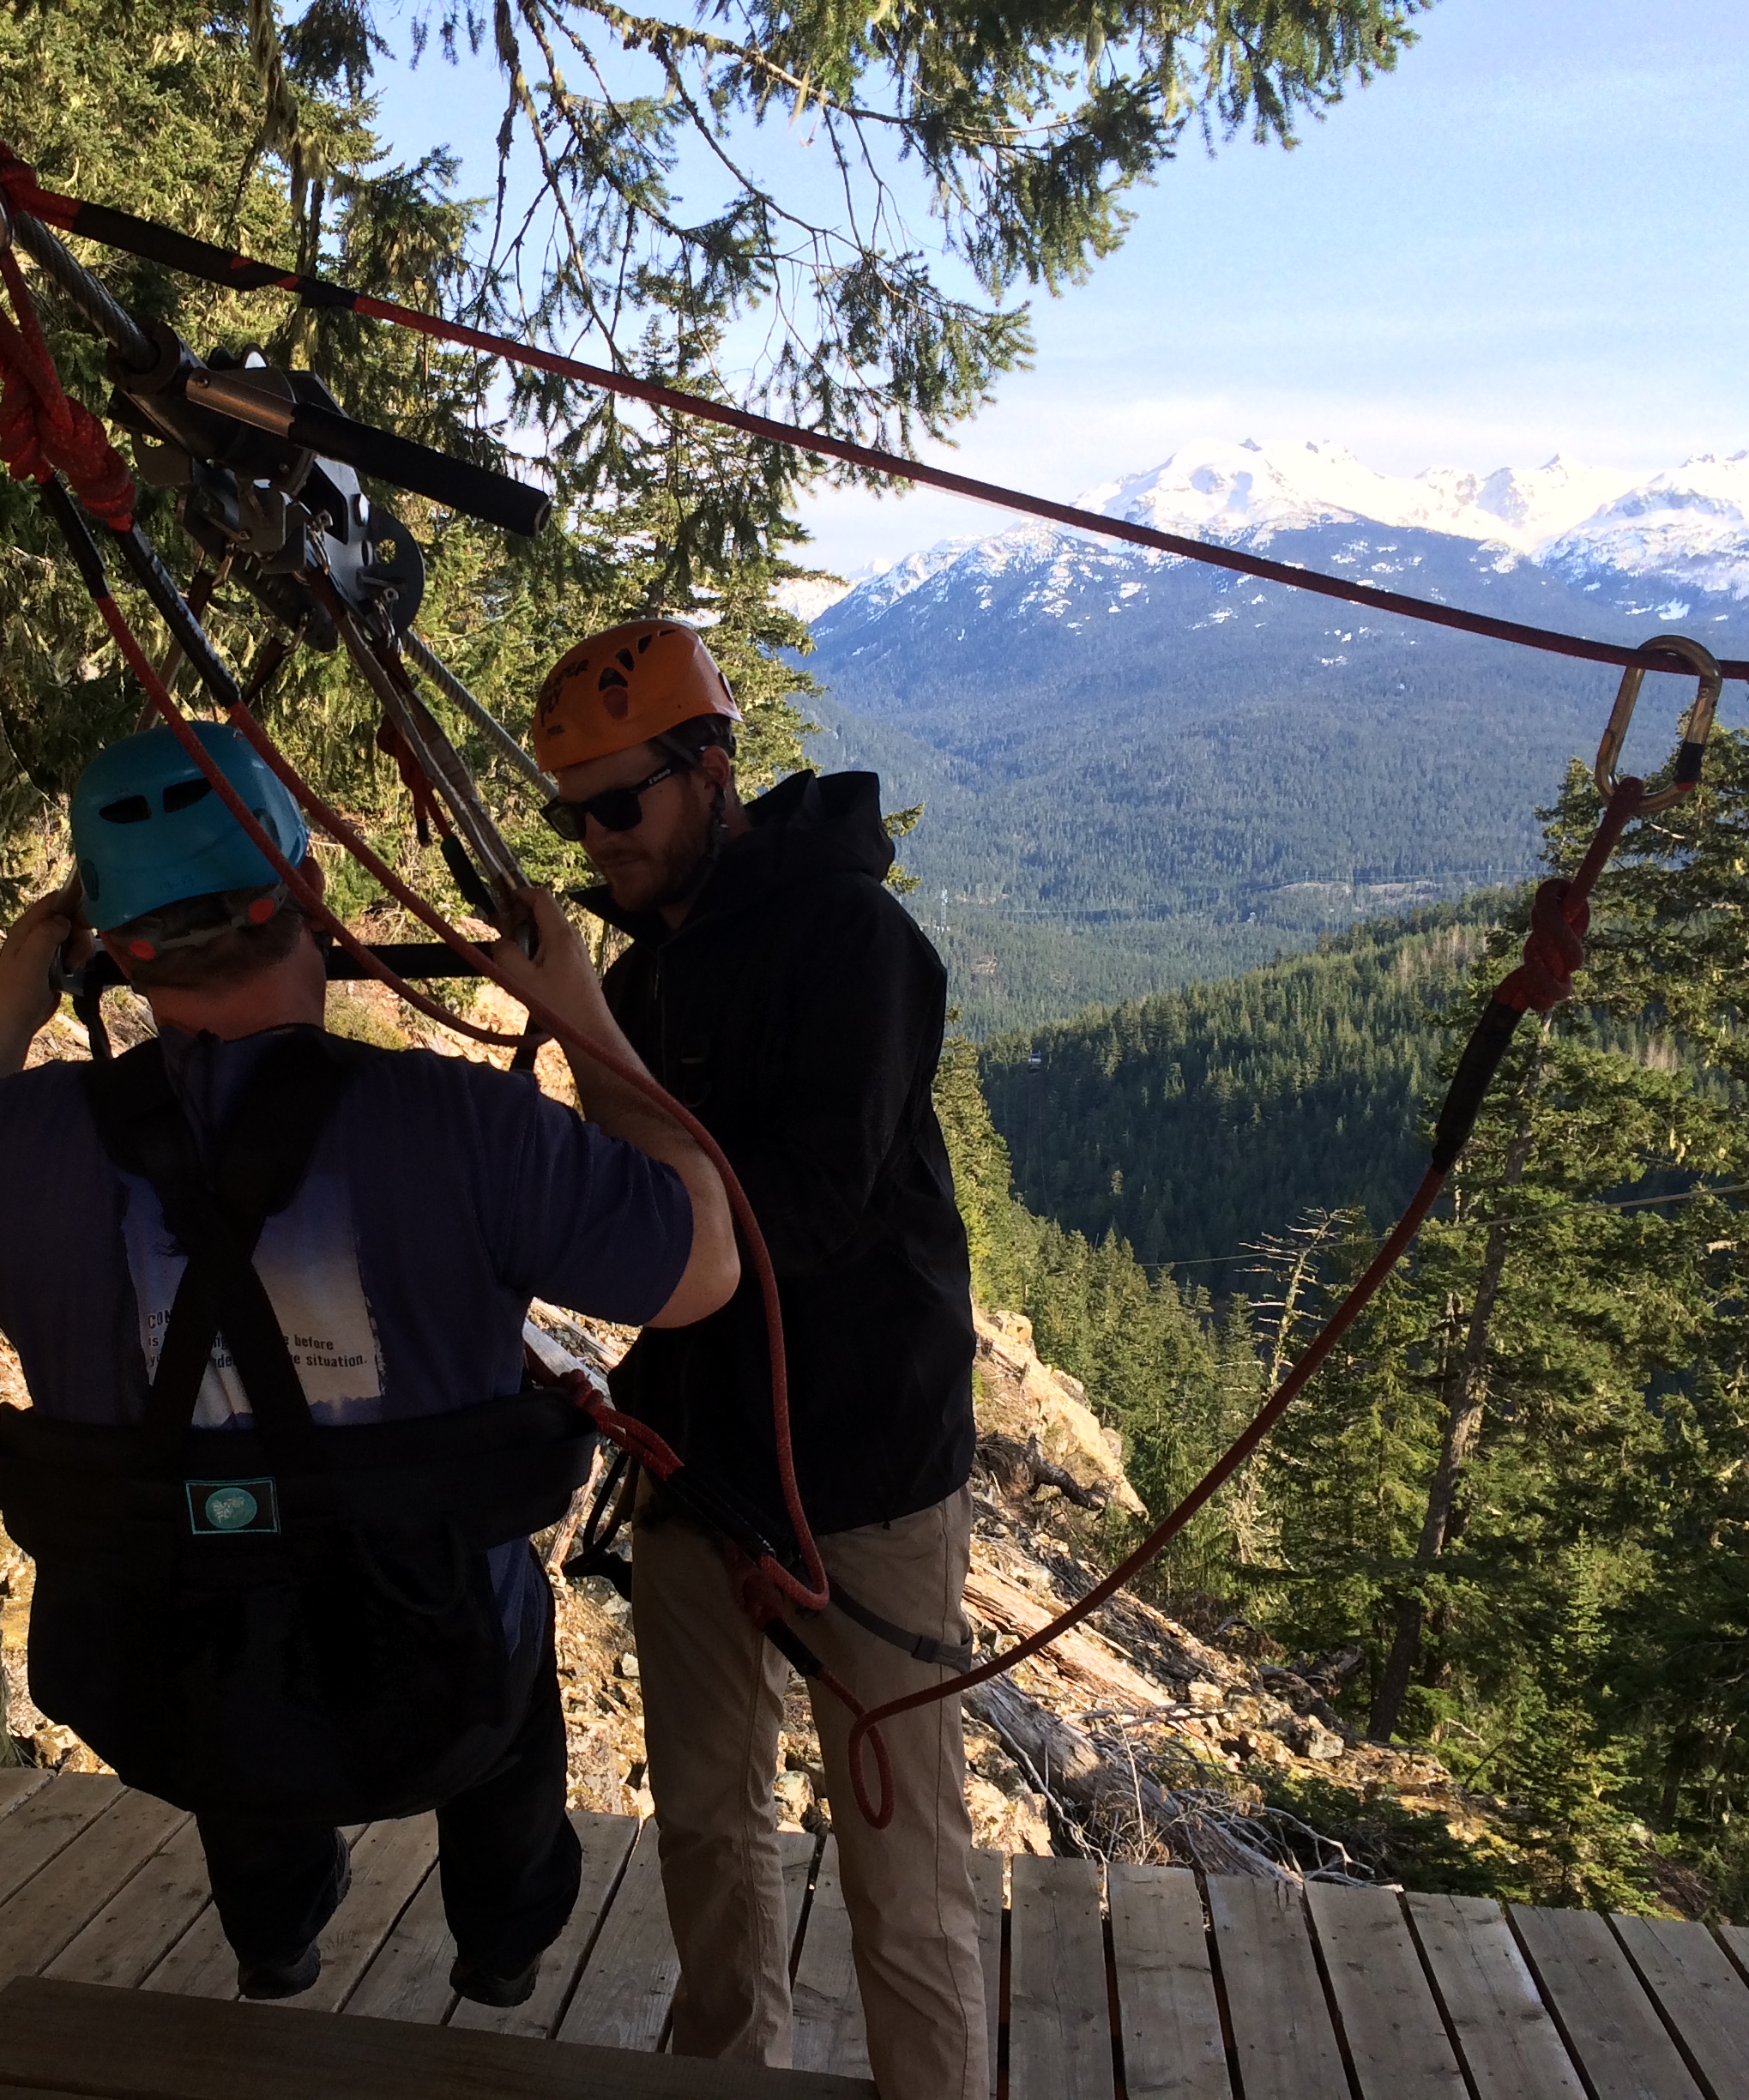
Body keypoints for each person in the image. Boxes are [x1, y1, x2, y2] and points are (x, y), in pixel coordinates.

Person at [0, 722, 740, 2005]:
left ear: (114, 945)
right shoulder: (464, 1129)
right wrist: (581, 1018)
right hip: (442, 1685)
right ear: (306, 893)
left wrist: (4, 1018)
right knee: (504, 1644)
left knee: (220, 1584)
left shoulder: (13, 1147)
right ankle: (505, 1940)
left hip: (165, 1689)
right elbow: (702, 1262)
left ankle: (276, 1936)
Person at [533, 620, 988, 2098]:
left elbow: (784, 1214)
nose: (595, 841)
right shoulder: (647, 969)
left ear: (710, 771)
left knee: (899, 1861)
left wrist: (588, 1031)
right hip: (695, 1448)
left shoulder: (854, 944)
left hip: (860, 1462)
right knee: (705, 1836)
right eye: (571, 814)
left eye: (619, 804)